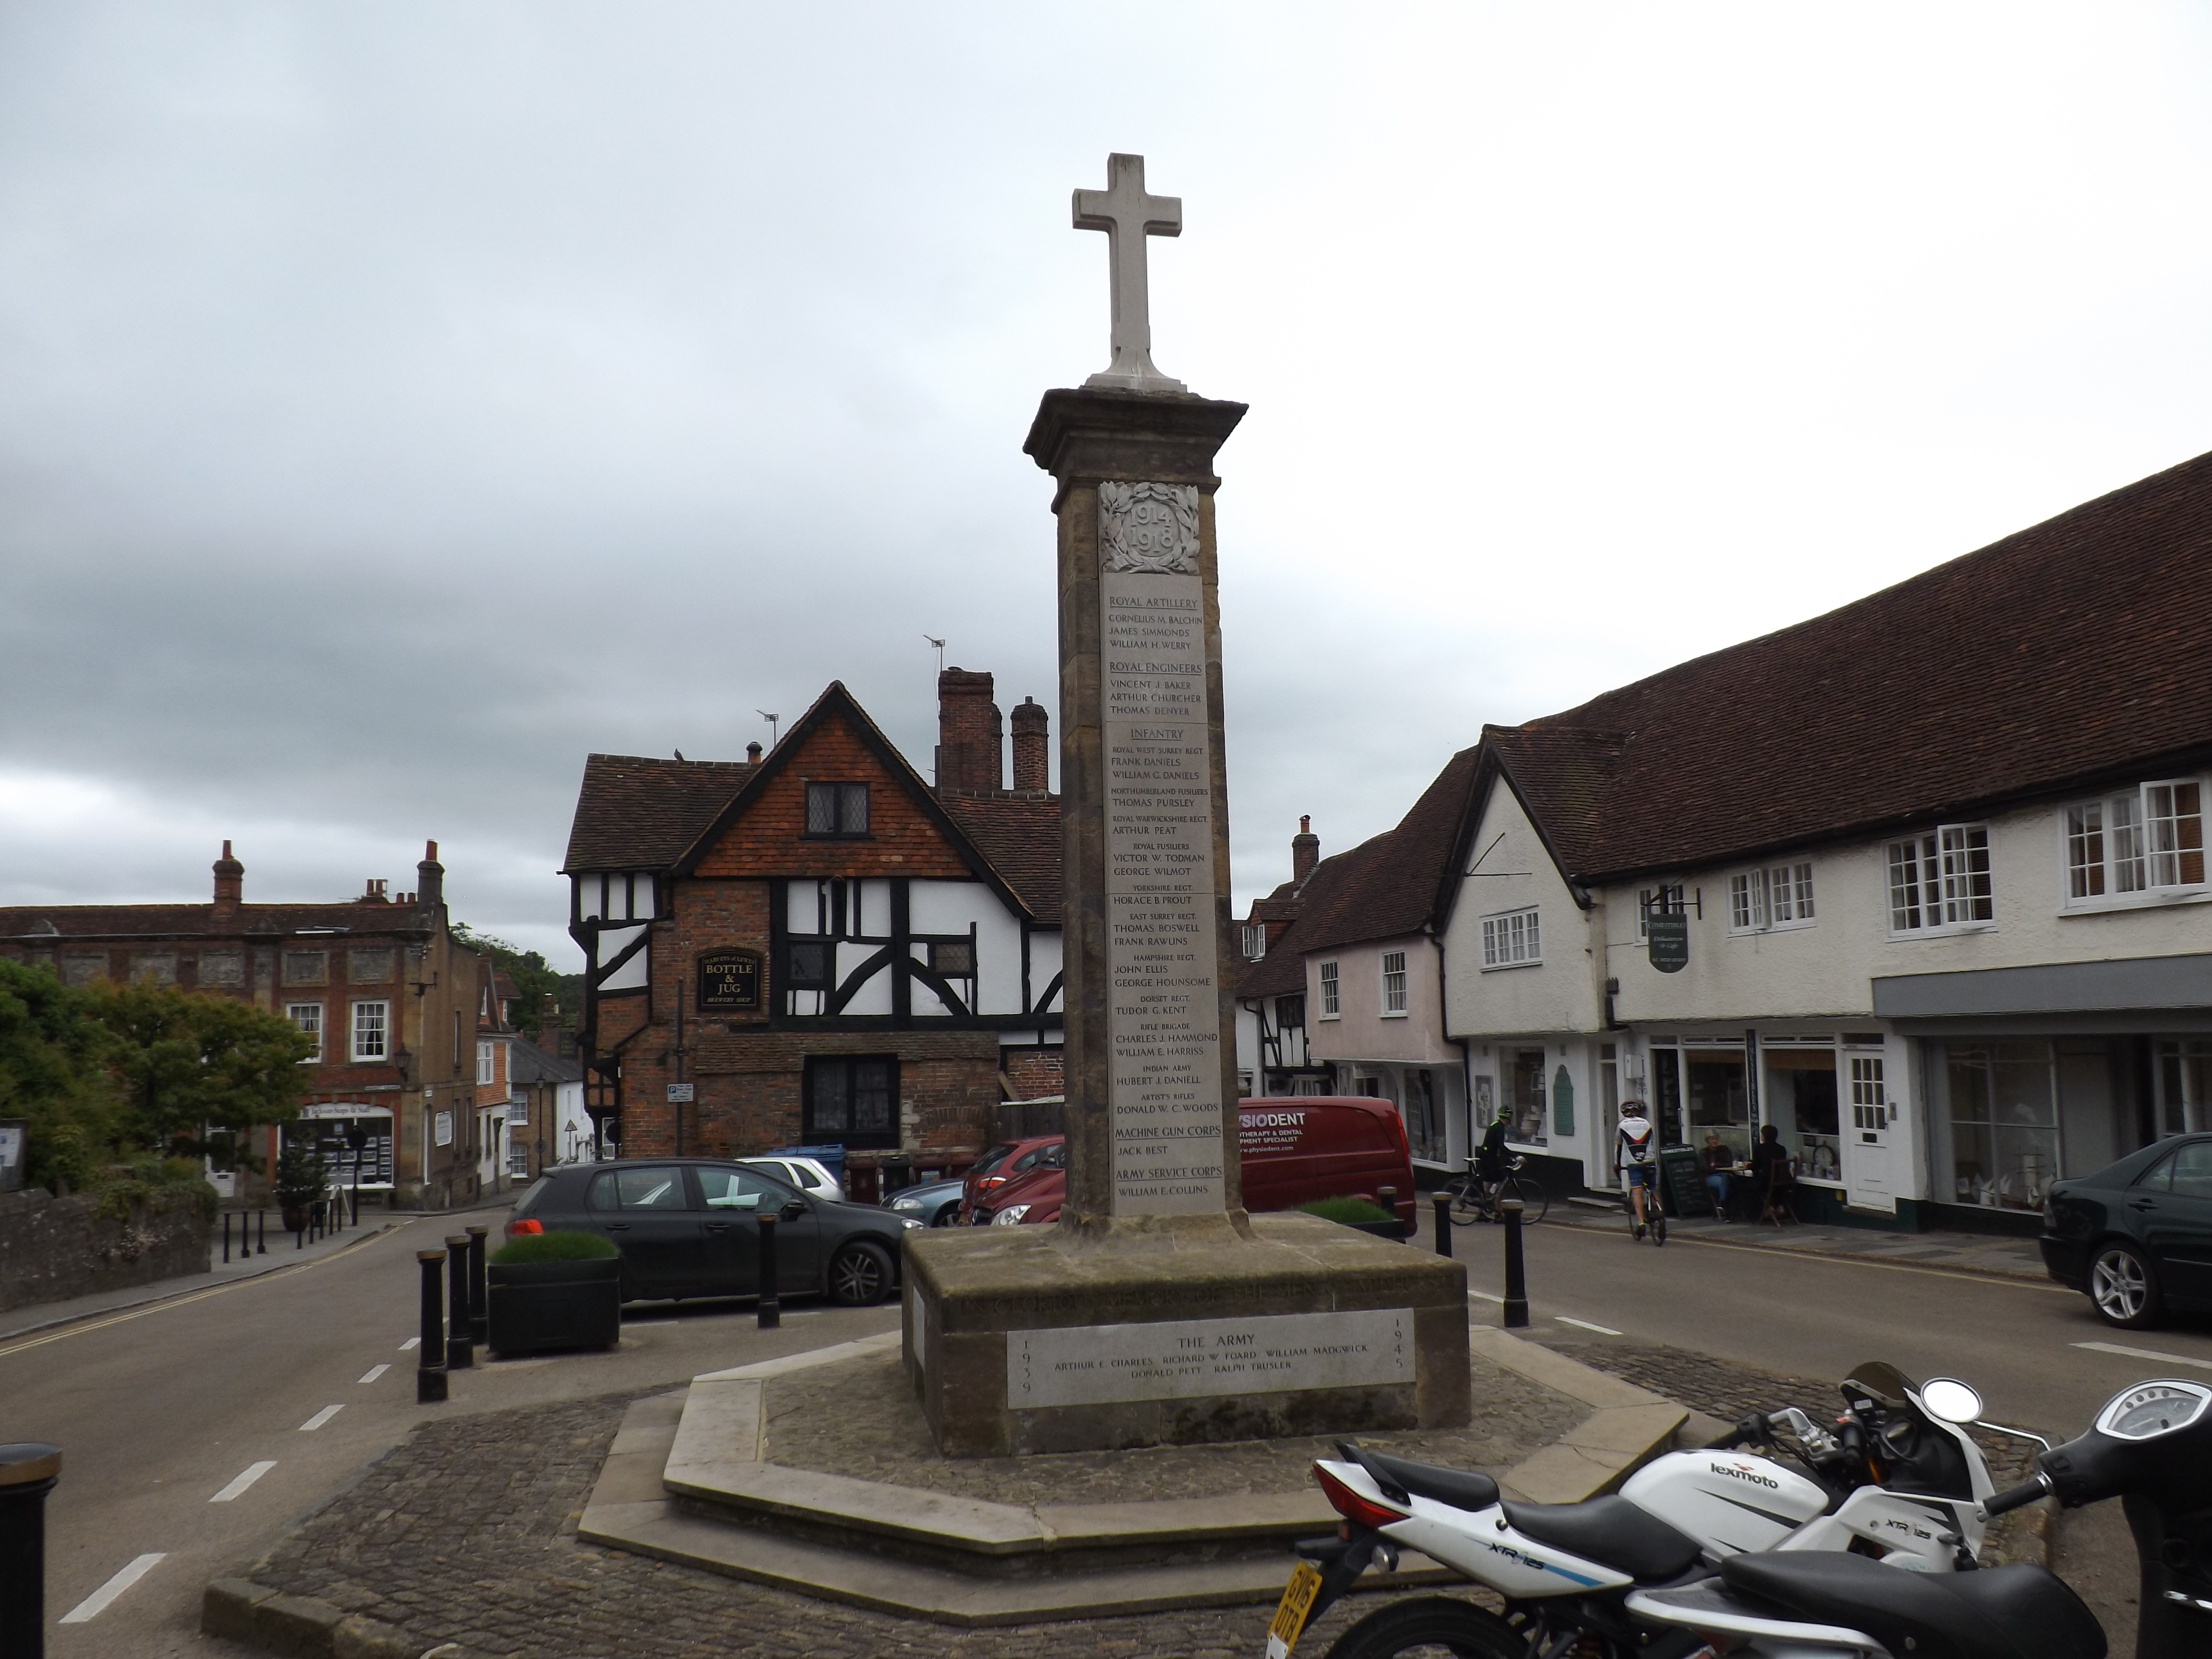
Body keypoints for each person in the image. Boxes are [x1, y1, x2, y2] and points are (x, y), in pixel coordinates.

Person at [1615, 1098, 1658, 1240]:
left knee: (1637, 1193)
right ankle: (1660, 1211)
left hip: (1634, 1163)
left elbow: (1618, 1148)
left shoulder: (1622, 1125)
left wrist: (1617, 1165)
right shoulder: (1646, 1123)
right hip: (1650, 1160)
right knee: (1654, 1188)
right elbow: (1651, 1142)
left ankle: (1641, 1224)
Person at [1749, 1123, 1796, 1224]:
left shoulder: (1759, 1148)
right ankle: (1778, 1206)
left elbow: (1756, 1166)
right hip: (1783, 1183)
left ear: (1764, 1136)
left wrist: (1747, 1166)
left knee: (1747, 1187)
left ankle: (1768, 1208)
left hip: (1766, 1183)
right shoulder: (1781, 1149)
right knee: (1773, 1192)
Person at [1699, 1132, 1735, 1221]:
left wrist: (1716, 1165)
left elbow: (1729, 1163)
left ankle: (1722, 1203)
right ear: (1708, 1141)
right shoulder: (1704, 1152)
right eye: (1712, 1139)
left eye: (1716, 1139)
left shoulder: (1724, 1149)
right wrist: (1716, 1167)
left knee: (1726, 1180)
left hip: (1725, 1174)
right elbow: (1706, 1169)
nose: (1715, 1141)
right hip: (1711, 1177)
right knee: (1726, 1182)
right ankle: (1726, 1210)